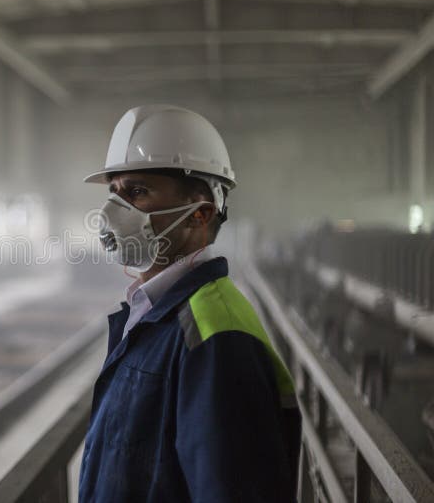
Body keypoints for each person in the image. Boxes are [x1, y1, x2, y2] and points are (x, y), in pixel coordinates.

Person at [78, 105, 302, 502]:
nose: (113, 212)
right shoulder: (152, 315)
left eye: (137, 192)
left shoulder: (217, 337)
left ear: (200, 215)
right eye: (114, 193)